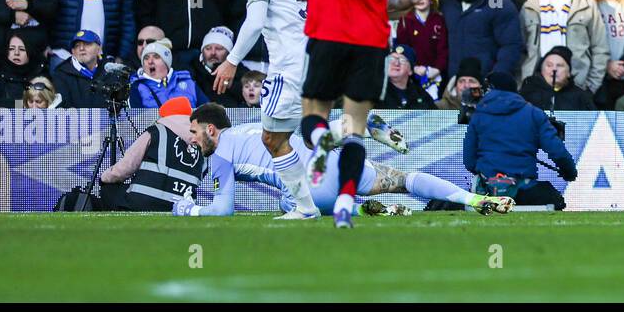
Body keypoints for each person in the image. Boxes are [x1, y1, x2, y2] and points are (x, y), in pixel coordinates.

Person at [286, 0, 419, 228]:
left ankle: (324, 140)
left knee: (313, 116)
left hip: (326, 31)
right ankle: (345, 202)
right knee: (356, 129)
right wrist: (381, 4)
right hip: (370, 39)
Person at [177, 104, 512, 216]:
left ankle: (356, 209)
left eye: (193, 132)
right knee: (404, 179)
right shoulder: (252, 129)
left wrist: (188, 210)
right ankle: (472, 198)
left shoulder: (220, 152)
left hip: (309, 186)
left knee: (287, 203)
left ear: (211, 129)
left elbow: (224, 209)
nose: (191, 139)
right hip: (332, 162)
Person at [209, 0, 321, 219]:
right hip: (312, 57)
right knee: (300, 133)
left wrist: (231, 61)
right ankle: (306, 205)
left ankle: (305, 207)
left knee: (273, 137)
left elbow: (255, 21)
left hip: (288, 63)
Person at [464, 70, 578, 209]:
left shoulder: (478, 115)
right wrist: (569, 173)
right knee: (556, 201)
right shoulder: (533, 113)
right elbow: (558, 152)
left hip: (487, 190)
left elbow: (469, 161)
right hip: (525, 191)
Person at [98, 96, 206, 212]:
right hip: (181, 207)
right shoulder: (203, 141)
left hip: (143, 201)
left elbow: (127, 166)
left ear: (165, 116)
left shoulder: (156, 131)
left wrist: (104, 178)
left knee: (108, 189)